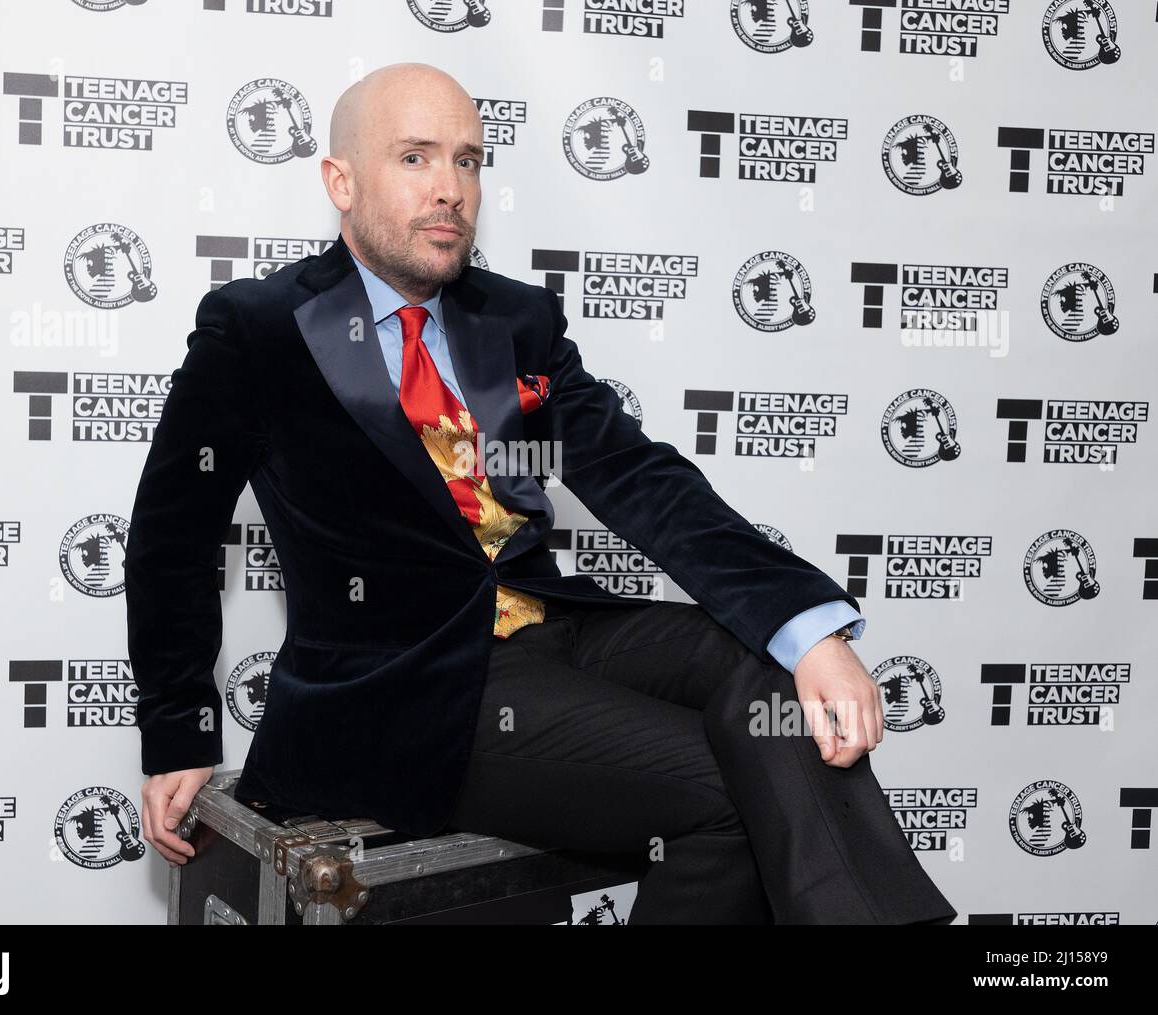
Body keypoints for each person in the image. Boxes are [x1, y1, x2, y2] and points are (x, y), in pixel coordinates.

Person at [125, 62, 956, 924]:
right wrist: (177, 729)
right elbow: (172, 537)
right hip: (398, 693)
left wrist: (808, 628)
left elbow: (640, 479)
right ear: (341, 179)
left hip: (556, 634)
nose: (450, 188)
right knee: (732, 783)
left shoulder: (516, 319)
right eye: (414, 159)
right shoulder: (256, 329)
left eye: (469, 160)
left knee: (774, 675)